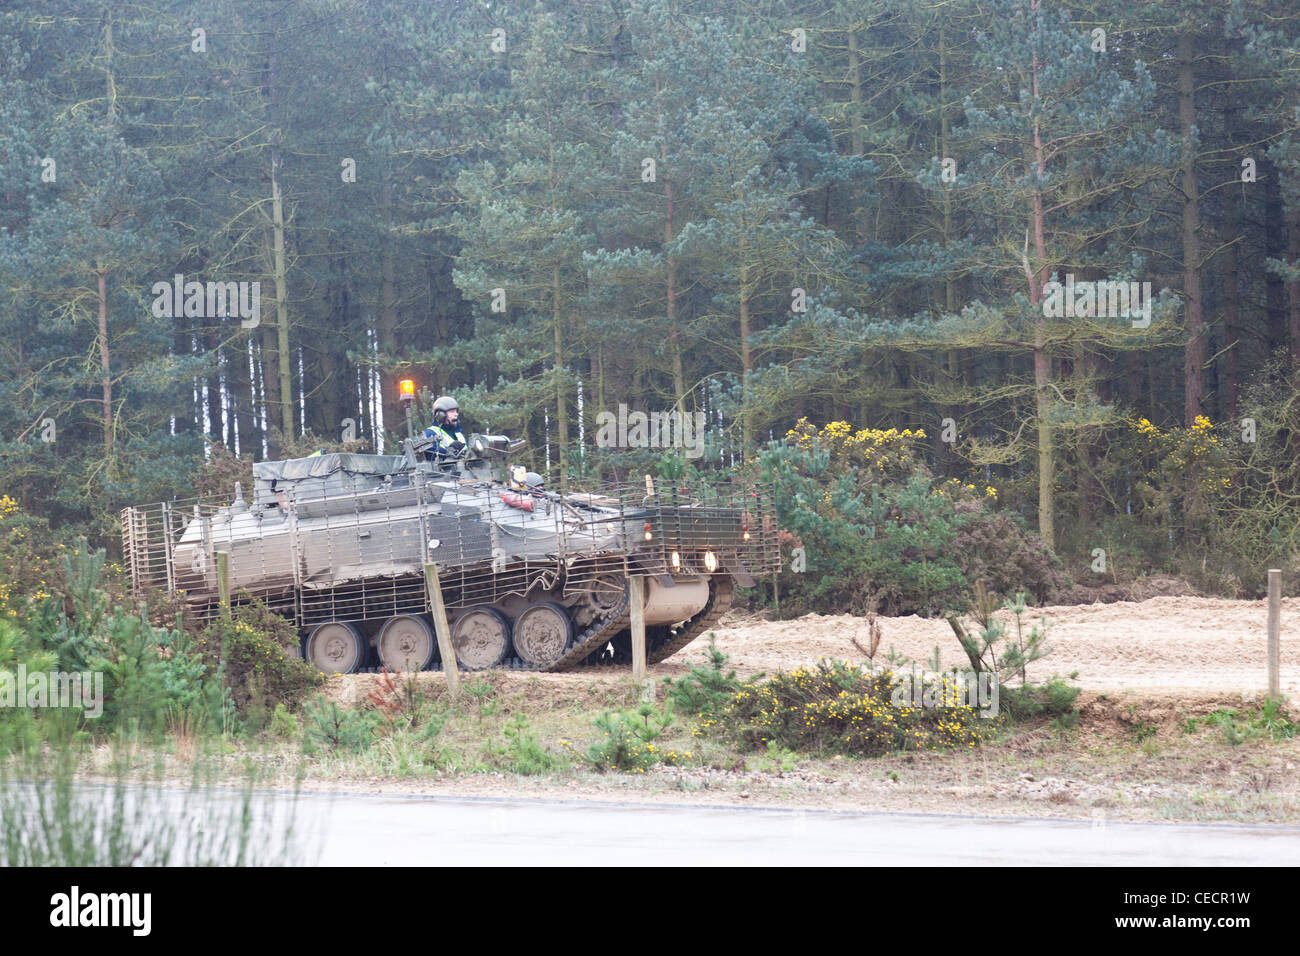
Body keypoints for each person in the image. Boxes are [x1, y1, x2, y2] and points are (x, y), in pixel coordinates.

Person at [425, 395, 467, 460]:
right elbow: (430, 454)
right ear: (441, 415)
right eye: (452, 411)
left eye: (456, 411)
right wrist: (448, 451)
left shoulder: (459, 435)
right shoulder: (430, 433)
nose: (456, 414)